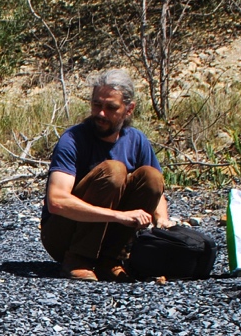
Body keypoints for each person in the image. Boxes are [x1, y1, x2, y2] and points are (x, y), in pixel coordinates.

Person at [41, 70, 173, 280]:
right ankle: (78, 259)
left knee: (152, 176)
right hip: (63, 236)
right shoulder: (73, 139)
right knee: (114, 171)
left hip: (109, 234)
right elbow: (56, 201)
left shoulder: (136, 140)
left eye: (110, 107)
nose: (101, 113)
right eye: (96, 105)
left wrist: (162, 221)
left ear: (129, 109)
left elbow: (156, 191)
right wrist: (119, 216)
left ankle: (109, 259)